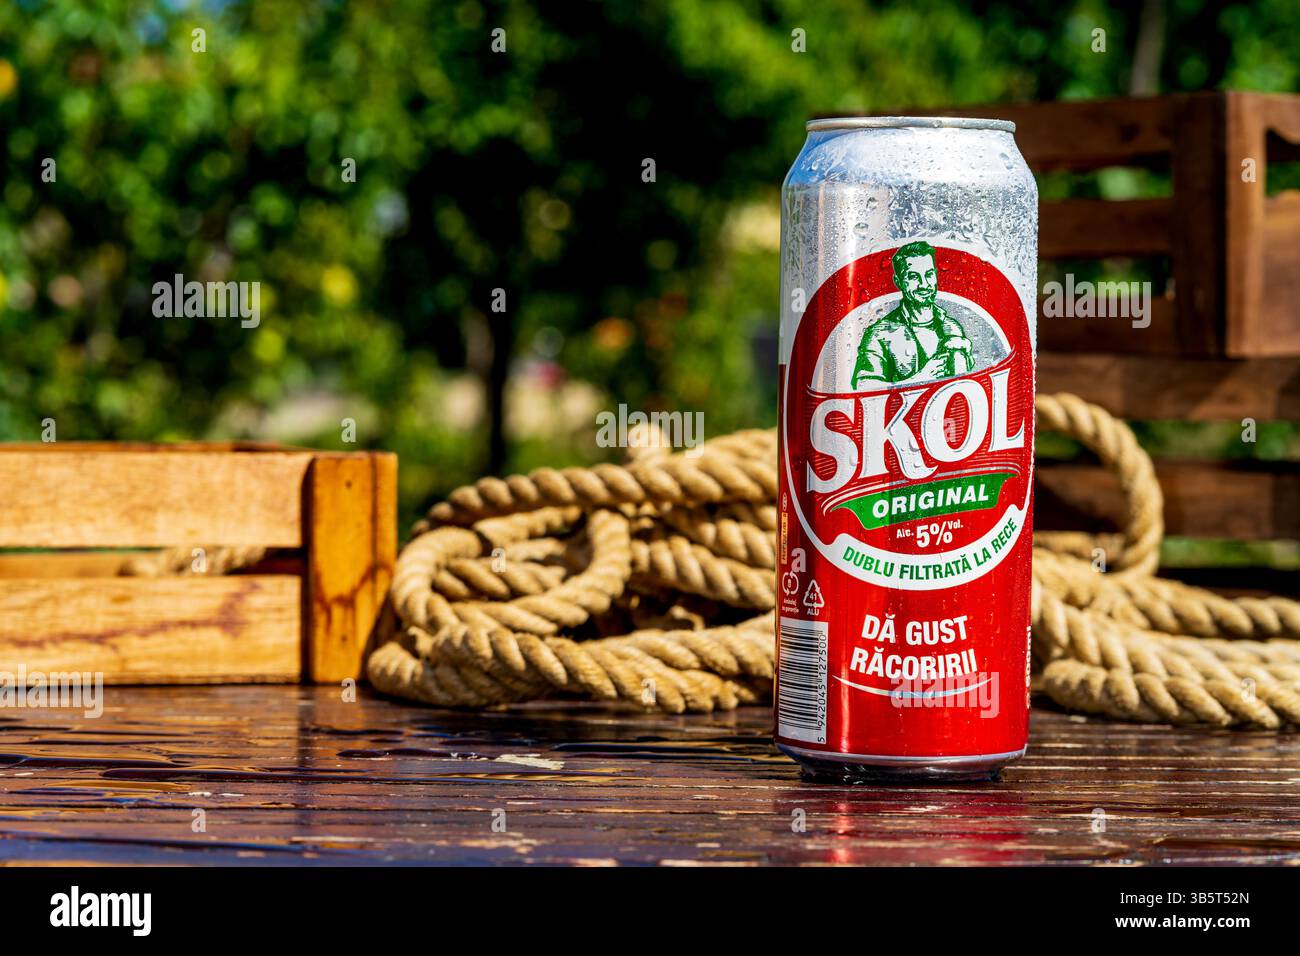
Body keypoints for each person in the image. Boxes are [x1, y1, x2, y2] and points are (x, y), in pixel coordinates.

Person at [852, 241, 973, 388]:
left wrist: (966, 359)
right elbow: (863, 387)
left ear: (935, 276)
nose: (924, 284)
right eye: (914, 277)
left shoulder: (952, 327)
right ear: (899, 282)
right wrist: (921, 378)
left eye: (928, 275)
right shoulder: (880, 333)